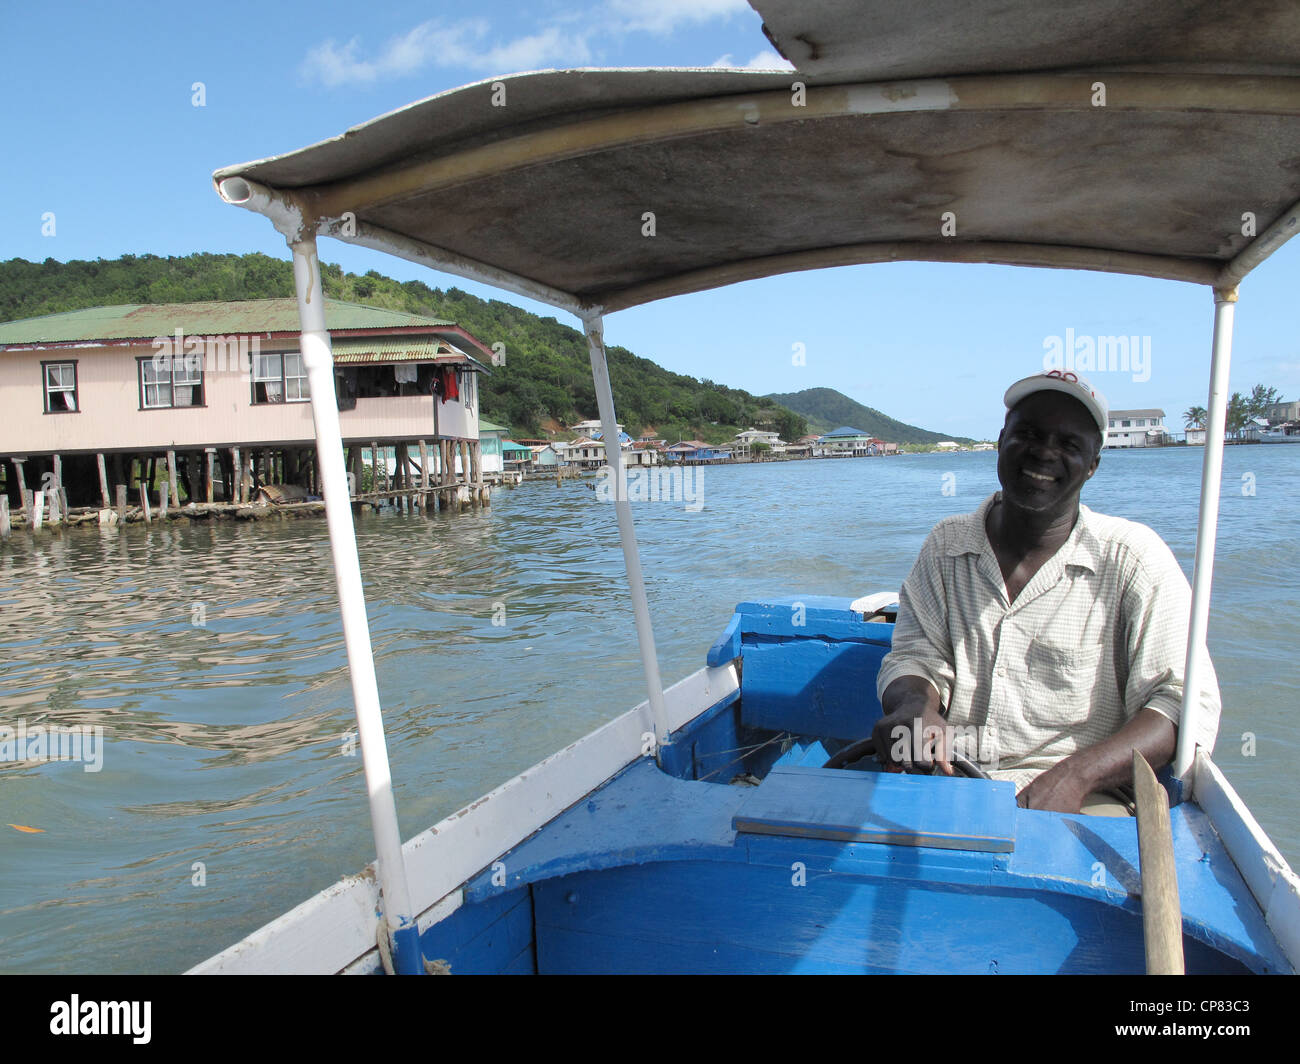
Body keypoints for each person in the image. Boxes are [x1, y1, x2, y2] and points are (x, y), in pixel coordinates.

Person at [872, 370, 1220, 814]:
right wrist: (914, 707)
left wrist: (1077, 775)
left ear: (1093, 464)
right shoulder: (946, 546)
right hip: (951, 780)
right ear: (1001, 441)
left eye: (1069, 445)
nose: (1043, 452)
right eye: (1029, 434)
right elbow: (913, 658)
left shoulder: (1134, 559)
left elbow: (1183, 703)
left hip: (1086, 794)